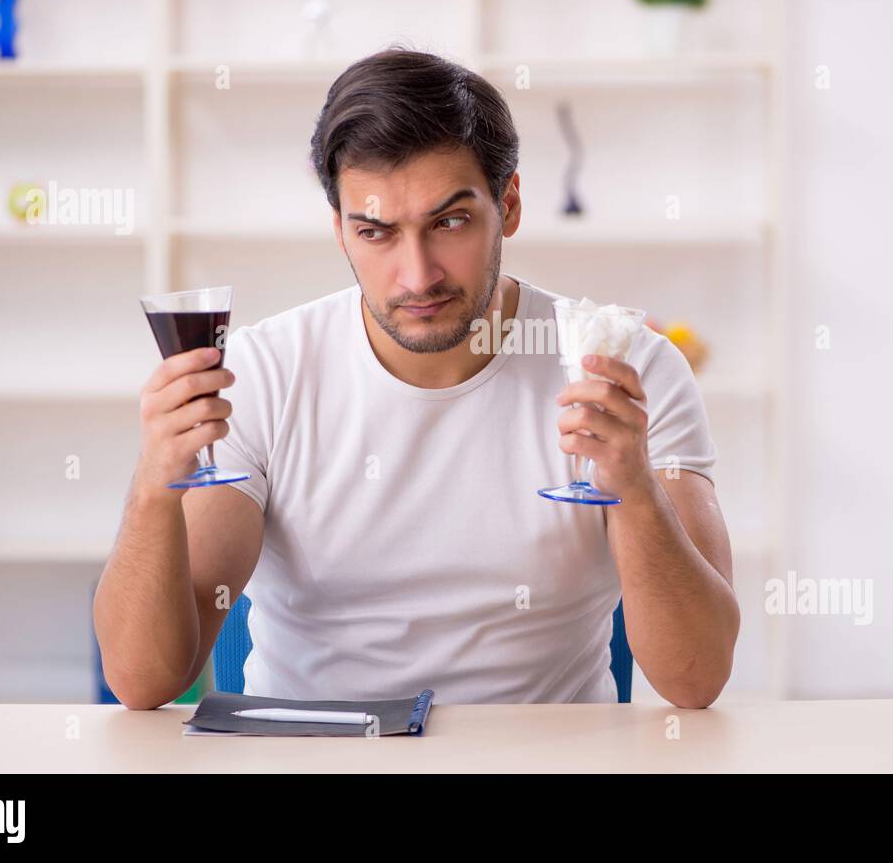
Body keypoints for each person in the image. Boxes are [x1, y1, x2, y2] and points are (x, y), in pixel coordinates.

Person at [94, 48, 739, 709]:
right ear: (342, 232)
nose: (418, 273)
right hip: (314, 760)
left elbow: (697, 677)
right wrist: (151, 489)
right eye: (376, 231)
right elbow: (145, 680)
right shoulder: (260, 375)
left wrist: (634, 491)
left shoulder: (631, 369)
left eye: (450, 221)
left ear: (508, 205)